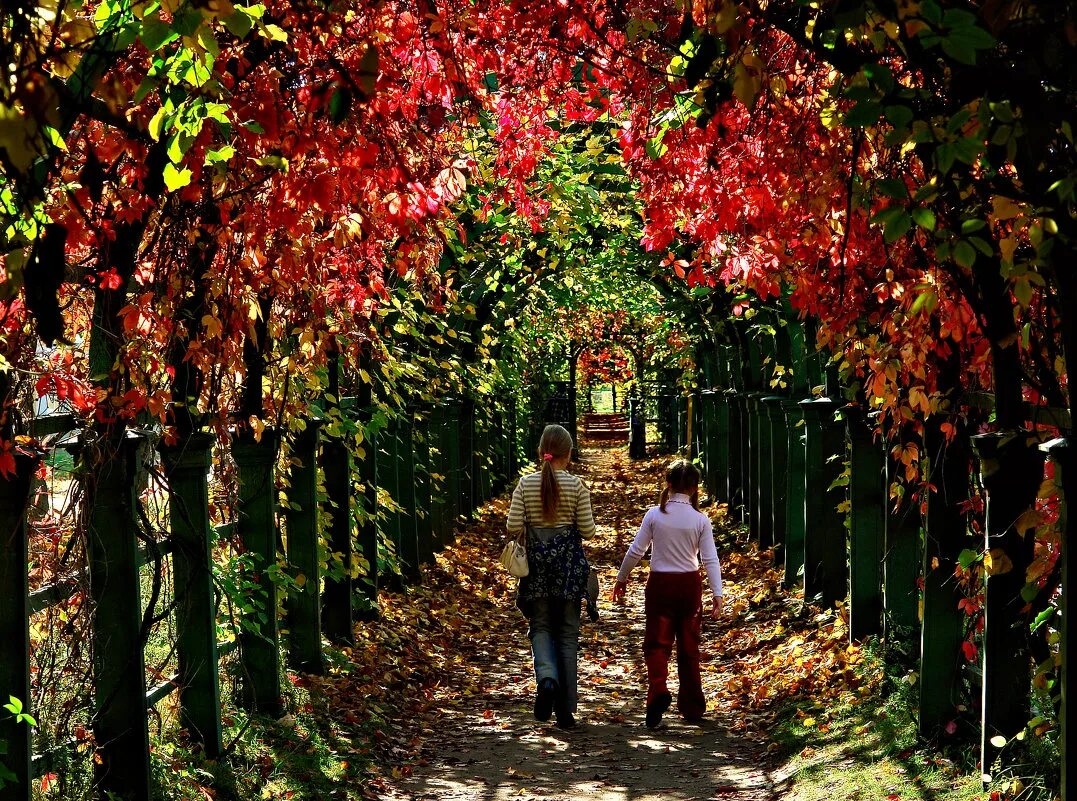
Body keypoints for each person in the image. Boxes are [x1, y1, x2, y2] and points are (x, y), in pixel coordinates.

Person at [612, 459, 723, 729]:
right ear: (695, 488)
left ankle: (658, 691)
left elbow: (636, 550)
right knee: (689, 646)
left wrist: (621, 577)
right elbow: (710, 559)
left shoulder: (654, 515)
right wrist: (717, 593)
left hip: (660, 584)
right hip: (689, 585)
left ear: (668, 484)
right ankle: (692, 705)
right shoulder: (700, 520)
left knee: (656, 644)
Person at [506, 424, 596, 729]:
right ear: (568, 455)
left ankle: (546, 680)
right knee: (568, 634)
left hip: (536, 571)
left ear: (541, 451)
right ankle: (566, 710)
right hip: (569, 571)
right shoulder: (576, 486)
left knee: (540, 627)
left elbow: (512, 524)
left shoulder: (525, 484)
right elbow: (588, 531)